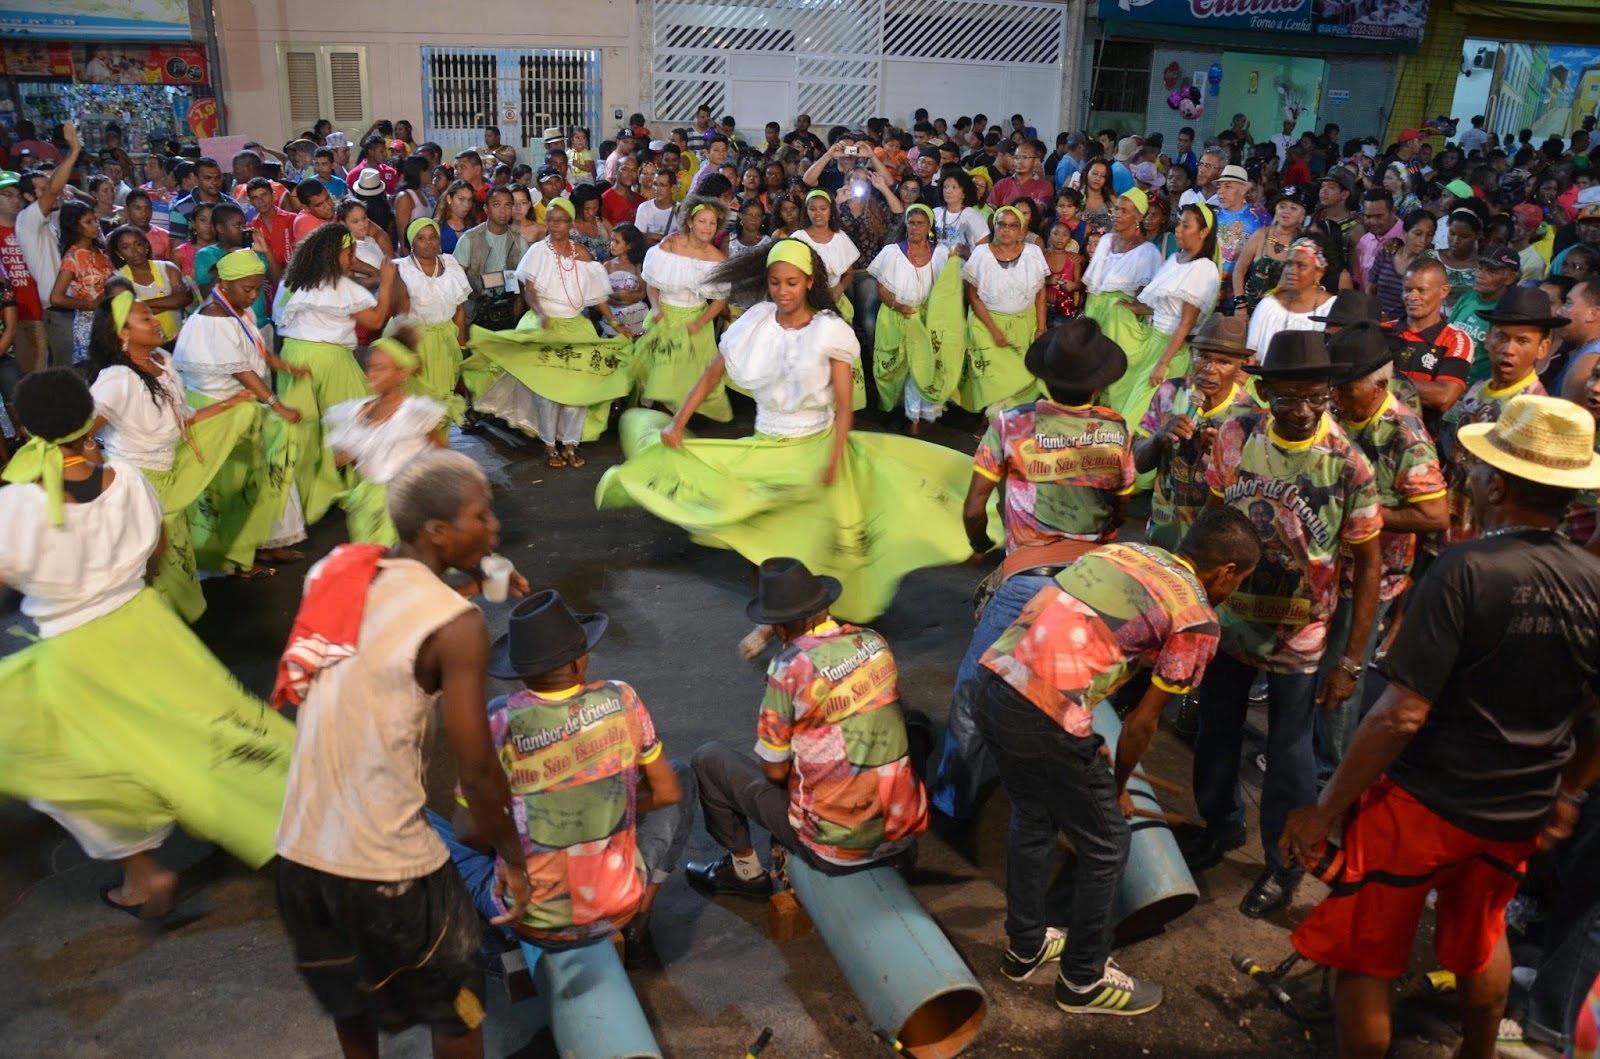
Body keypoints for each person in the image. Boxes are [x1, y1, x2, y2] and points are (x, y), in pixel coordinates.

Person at [1281, 393, 1600, 1059]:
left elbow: (1400, 713)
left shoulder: (1467, 568)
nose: (1471, 478)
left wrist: (1324, 808)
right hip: (1518, 807)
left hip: (1425, 803)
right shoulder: (1594, 579)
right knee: (1482, 936)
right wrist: (1568, 792)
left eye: (1481, 469)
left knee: (1366, 957)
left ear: (1499, 486)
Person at [0, 367, 295, 920]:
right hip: (150, 629)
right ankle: (284, 804)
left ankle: (144, 875)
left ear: (27, 429)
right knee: (202, 727)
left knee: (79, 765)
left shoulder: (16, 506)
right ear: (88, 418)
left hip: (78, 654)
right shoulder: (128, 479)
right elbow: (155, 552)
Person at [274, 450, 532, 1059]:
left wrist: (477, 580)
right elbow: (478, 771)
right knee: (460, 1008)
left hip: (300, 850)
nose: (493, 526)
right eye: (480, 515)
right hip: (388, 863)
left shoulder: (335, 571)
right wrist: (514, 860)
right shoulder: (458, 627)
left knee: (350, 997)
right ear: (438, 530)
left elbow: (395, 614)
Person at [596, 239, 972, 623]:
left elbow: (844, 406)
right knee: (756, 534)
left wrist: (835, 459)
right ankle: (774, 618)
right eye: (775, 283)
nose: (782, 291)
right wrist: (678, 423)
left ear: (809, 282)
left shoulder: (829, 330)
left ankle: (816, 619)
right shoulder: (756, 322)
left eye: (792, 282)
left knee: (819, 540)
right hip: (766, 446)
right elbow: (712, 373)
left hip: (816, 445)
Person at [976, 507, 1259, 1013]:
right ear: (1226, 571)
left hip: (994, 682)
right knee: (1107, 845)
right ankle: (1082, 980)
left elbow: (1069, 640)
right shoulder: (1197, 618)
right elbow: (1141, 724)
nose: (1233, 591)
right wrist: (1117, 785)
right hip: (1043, 716)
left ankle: (1025, 947)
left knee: (1034, 819)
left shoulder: (1127, 551)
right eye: (1239, 583)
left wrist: (1084, 738)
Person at [1186, 331, 1383, 919]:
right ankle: (1220, 825)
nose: (1302, 410)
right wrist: (1190, 610)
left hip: (1300, 634)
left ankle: (1284, 861)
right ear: (1265, 392)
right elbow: (1211, 522)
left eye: (1316, 397)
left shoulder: (1347, 464)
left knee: (1291, 753)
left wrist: (1351, 660)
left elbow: (1369, 565)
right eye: (1289, 397)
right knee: (1214, 734)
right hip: (1231, 623)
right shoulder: (1235, 436)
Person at [929, 319, 1133, 820]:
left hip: (1029, 578)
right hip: (1095, 581)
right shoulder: (1116, 430)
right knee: (1075, 693)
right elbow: (1120, 508)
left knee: (975, 690)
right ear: (1098, 384)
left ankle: (952, 803)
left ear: (1045, 376)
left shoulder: (1010, 425)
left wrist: (980, 544)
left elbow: (975, 508)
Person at [433, 589, 694, 966]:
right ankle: (641, 913)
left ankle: (481, 932)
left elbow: (469, 832)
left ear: (520, 673)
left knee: (423, 823)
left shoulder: (499, 719)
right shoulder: (623, 698)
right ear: (577, 662)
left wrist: (517, 844)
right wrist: (609, 808)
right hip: (618, 902)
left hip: (534, 919)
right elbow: (666, 793)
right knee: (679, 775)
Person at [685, 557, 929, 894]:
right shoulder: (873, 641)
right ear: (823, 605)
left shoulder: (788, 668)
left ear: (780, 628)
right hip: (900, 832)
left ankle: (745, 873)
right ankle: (896, 834)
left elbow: (774, 770)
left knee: (709, 759)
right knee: (915, 721)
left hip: (834, 846)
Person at [1315, 322, 1447, 776]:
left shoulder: (1406, 436)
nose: (1335, 395)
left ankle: (1329, 775)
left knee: (1341, 673)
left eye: (1345, 386)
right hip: (1326, 569)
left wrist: (1363, 513)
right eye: (1332, 385)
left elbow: (1435, 516)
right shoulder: (1336, 413)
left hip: (1371, 577)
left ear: (1378, 386)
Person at [88, 285, 262, 621]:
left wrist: (230, 404)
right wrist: (101, 483)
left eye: (152, 314)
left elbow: (185, 419)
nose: (156, 321)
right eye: (145, 318)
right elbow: (83, 435)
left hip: (168, 474)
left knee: (177, 554)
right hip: (138, 482)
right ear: (122, 333)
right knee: (158, 561)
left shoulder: (163, 362)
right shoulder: (117, 378)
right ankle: (159, 628)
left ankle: (178, 622)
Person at [466, 197, 633, 466]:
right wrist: (542, 314)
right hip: (544, 324)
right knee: (547, 392)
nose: (555, 225)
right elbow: (529, 291)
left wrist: (614, 323)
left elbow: (597, 294)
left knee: (578, 390)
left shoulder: (581, 253)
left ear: (570, 223)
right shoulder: (538, 251)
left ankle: (571, 443)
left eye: (561, 220)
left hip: (575, 327)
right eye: (551, 220)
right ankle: (549, 445)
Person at [172, 248, 308, 573]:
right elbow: (241, 371)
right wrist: (276, 405)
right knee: (235, 487)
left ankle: (266, 544)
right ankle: (238, 558)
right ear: (225, 283)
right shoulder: (214, 319)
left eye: (257, 289)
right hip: (218, 412)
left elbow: (254, 351)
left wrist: (284, 366)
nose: (253, 296)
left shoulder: (236, 311)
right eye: (247, 288)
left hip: (240, 408)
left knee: (261, 477)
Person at [273, 222, 395, 524]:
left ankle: (307, 499)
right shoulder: (338, 287)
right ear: (331, 255)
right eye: (348, 252)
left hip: (293, 358)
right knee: (358, 423)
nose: (352, 257)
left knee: (305, 431)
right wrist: (387, 281)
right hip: (329, 360)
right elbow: (376, 320)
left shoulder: (291, 282)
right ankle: (359, 492)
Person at [1438, 286, 1565, 548]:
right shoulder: (1477, 390)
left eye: (1522, 341)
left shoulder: (1537, 410)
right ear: (1487, 339)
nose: (1508, 349)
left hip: (1489, 544)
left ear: (1542, 348)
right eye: (1501, 337)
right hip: (1448, 531)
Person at [1135, 314, 1262, 551]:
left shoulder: (1248, 416)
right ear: (1191, 353)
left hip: (1211, 544)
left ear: (1241, 365)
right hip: (1162, 533)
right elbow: (1139, 463)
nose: (1210, 369)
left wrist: (1223, 458)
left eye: (1223, 362)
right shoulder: (1169, 392)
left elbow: (1251, 496)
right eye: (1202, 356)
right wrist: (1160, 437)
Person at [1108, 202, 1221, 430]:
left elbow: (1187, 322)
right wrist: (1135, 309)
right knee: (1129, 399)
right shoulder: (1175, 259)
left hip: (1170, 349)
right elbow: (1168, 306)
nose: (1178, 229)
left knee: (1140, 412)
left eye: (1186, 226)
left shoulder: (1203, 268)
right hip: (1154, 340)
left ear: (1203, 232)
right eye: (1178, 224)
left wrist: (1162, 364)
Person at [325, 334, 448, 544]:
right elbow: (360, 458)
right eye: (370, 367)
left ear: (402, 373)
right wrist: (353, 456)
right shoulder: (360, 410)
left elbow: (442, 451)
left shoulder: (414, 411)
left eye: (381, 368)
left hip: (407, 501)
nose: (371, 374)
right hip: (371, 503)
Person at [633, 197, 732, 420]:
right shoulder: (670, 246)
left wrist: (700, 322)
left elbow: (719, 300)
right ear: (689, 222)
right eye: (702, 221)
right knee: (658, 373)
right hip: (666, 318)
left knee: (687, 378)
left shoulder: (717, 259)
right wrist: (656, 309)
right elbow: (652, 284)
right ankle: (657, 420)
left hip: (695, 323)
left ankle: (675, 421)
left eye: (712, 223)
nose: (707, 227)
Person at [866, 203, 961, 429]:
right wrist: (898, 306)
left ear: (929, 226)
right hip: (896, 316)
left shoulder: (940, 253)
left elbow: (948, 289)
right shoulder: (892, 252)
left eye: (920, 223)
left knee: (921, 366)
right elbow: (882, 290)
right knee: (901, 367)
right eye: (911, 223)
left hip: (927, 319)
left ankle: (916, 418)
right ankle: (905, 412)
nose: (915, 227)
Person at [958, 205, 1051, 412]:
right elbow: (973, 297)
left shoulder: (1033, 253)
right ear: (995, 227)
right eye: (1001, 224)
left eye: (1013, 226)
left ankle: (1011, 420)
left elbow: (1040, 293)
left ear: (1021, 230)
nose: (1006, 230)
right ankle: (993, 420)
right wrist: (994, 331)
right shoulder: (981, 254)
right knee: (992, 379)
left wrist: (1041, 328)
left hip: (1024, 325)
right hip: (986, 326)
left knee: (1023, 377)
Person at [392, 217, 471, 424]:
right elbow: (400, 316)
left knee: (443, 402)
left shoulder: (450, 264)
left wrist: (461, 346)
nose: (428, 242)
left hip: (446, 340)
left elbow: (459, 310)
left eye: (433, 237)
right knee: (419, 404)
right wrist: (409, 354)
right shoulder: (403, 269)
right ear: (412, 243)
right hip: (417, 342)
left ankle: (440, 440)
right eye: (421, 238)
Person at [1390, 257, 1474, 434]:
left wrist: (1380, 379)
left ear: (1444, 291)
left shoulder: (1456, 340)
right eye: (1407, 290)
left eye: (1422, 290)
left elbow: (1444, 397)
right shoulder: (1383, 330)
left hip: (1424, 441)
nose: (1412, 297)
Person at [1081, 190, 1162, 370]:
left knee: (1113, 368)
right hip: (1094, 312)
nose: (1117, 214)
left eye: (1124, 211)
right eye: (1116, 209)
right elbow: (1094, 286)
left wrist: (1127, 308)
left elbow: (1150, 302)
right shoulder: (1105, 241)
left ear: (1139, 217)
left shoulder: (1146, 252)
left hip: (1118, 323)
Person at [452, 185, 529, 331]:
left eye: (508, 205)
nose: (503, 210)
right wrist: (475, 297)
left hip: (508, 309)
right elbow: (456, 279)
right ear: (486, 209)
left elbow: (523, 279)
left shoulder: (519, 242)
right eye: (497, 205)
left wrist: (519, 300)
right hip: (475, 310)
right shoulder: (470, 239)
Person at [1449, 244, 1523, 387]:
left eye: (1490, 271)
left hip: (1475, 390)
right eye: (1480, 268)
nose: (1480, 275)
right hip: (1446, 378)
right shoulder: (1468, 297)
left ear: (1509, 278)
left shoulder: (1509, 311)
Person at [50, 202, 115, 364]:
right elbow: (56, 298)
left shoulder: (99, 251)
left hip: (111, 319)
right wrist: (90, 304)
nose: (95, 225)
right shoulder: (73, 258)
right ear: (75, 226)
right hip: (90, 324)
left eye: (95, 220)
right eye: (88, 222)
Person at [1245, 236, 1335, 353]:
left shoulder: (1332, 310)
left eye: (1301, 265)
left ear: (1319, 272)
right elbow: (1251, 353)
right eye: (1289, 263)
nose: (1291, 271)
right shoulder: (1268, 306)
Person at [1233, 188, 1312, 314]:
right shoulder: (1261, 235)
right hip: (1248, 310)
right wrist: (1240, 304)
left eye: (1293, 208)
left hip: (1280, 313)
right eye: (1282, 206)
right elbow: (1239, 270)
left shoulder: (1302, 244)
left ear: (1302, 216)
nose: (1286, 211)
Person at [107, 225, 189, 344]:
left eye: (138, 244)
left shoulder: (167, 268)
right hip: (142, 343)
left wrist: (140, 306)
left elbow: (184, 298)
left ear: (146, 245)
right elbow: (125, 314)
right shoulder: (117, 279)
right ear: (118, 253)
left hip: (177, 340)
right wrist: (169, 302)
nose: (134, 251)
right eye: (126, 247)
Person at [793, 189, 861, 323]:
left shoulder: (840, 237)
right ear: (806, 211)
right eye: (812, 209)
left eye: (823, 209)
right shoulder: (799, 238)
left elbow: (849, 273)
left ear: (831, 211)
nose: (818, 213)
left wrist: (838, 290)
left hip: (835, 297)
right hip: (807, 299)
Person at [1365, 209, 1435, 320]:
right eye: (1418, 234)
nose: (1424, 240)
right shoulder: (1386, 254)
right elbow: (1371, 286)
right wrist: (1373, 314)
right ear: (1405, 233)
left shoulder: (1427, 266)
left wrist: (1392, 319)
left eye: (1430, 235)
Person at [1214, 166, 1268, 298]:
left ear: (1243, 190)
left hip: (1243, 294)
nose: (1221, 191)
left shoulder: (1260, 218)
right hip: (1210, 289)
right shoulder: (1211, 215)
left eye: (1228, 186)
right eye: (1219, 186)